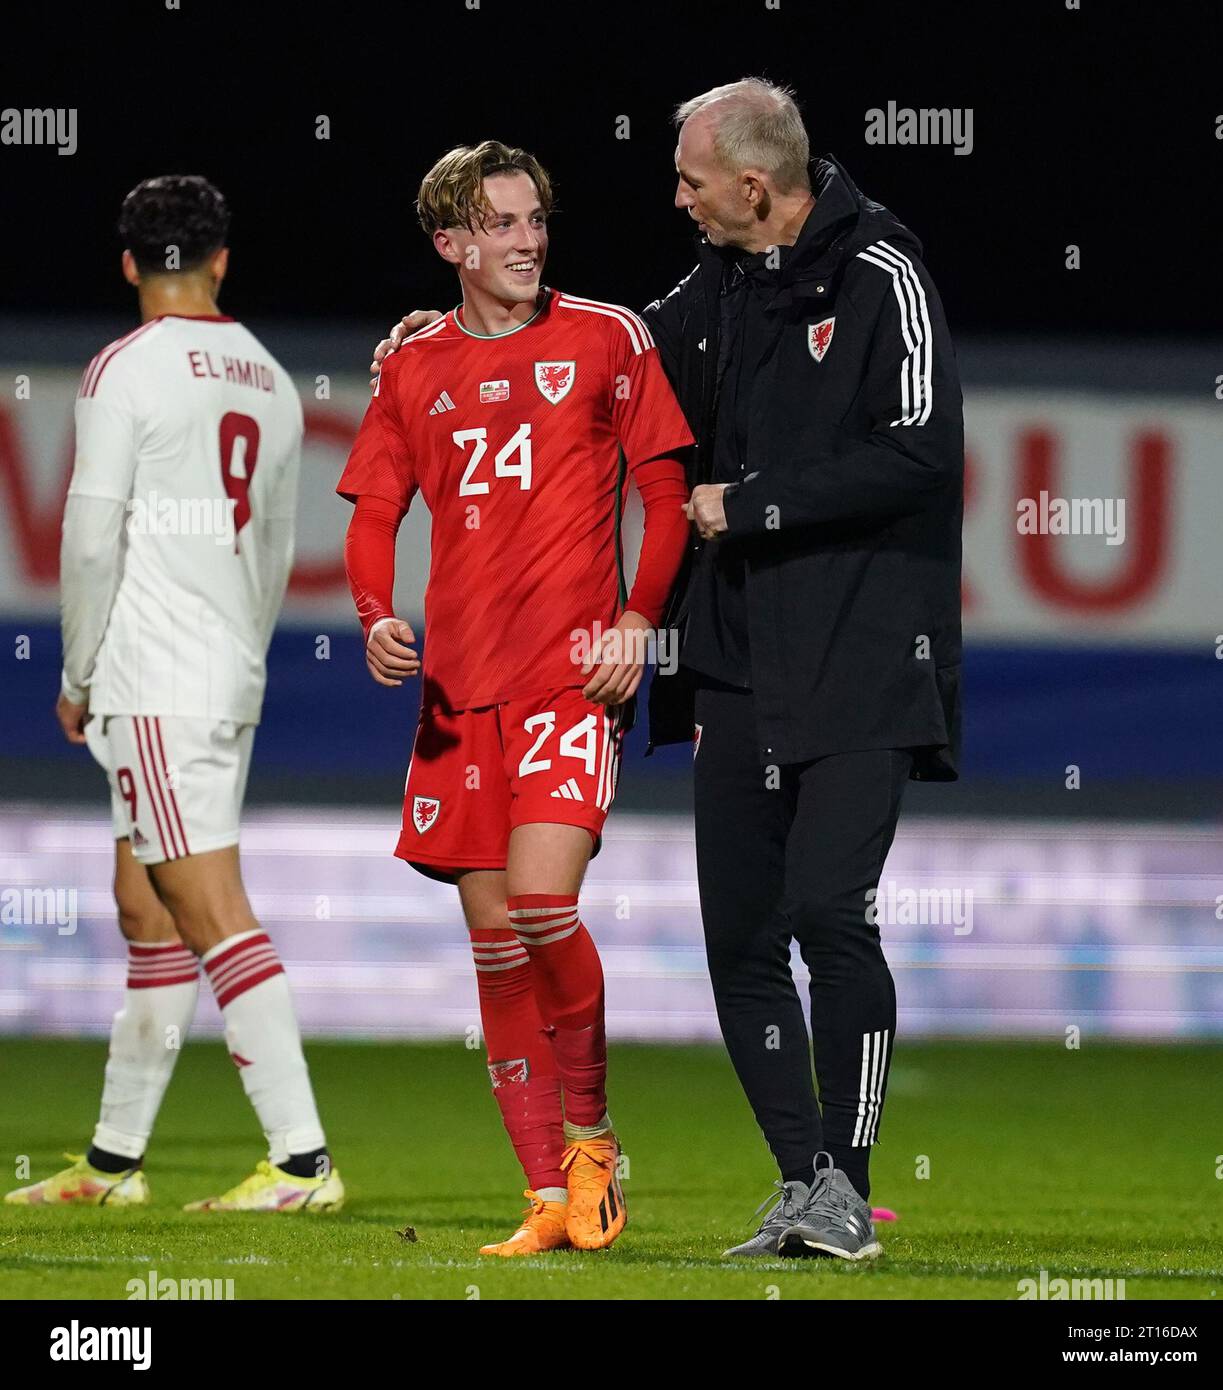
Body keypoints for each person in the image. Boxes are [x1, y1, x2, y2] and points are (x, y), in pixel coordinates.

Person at [372, 78, 963, 1262]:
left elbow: (919, 450)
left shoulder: (881, 271)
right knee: (739, 941)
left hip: (857, 654)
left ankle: (843, 1182)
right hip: (734, 660)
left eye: (690, 179)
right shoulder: (711, 292)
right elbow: (597, 352)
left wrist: (748, 504)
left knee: (825, 915)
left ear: (753, 184)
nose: (675, 196)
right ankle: (799, 1185)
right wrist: (444, 334)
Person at [339, 141, 691, 1255]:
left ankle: (591, 1142)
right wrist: (371, 611)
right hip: (457, 692)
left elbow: (666, 491)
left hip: (567, 679)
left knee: (543, 907)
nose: (527, 240)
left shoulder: (606, 337)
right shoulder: (410, 365)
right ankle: (548, 1192)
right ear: (450, 243)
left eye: (534, 218)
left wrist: (638, 621)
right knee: (493, 945)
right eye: (499, 223)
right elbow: (371, 507)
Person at [6, 175, 343, 1214]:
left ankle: (301, 1163)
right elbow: (281, 546)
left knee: (209, 913)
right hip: (222, 670)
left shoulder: (125, 368)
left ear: (125, 263)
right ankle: (113, 1164)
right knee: (145, 912)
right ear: (222, 260)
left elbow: (89, 528)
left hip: (154, 675)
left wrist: (77, 672)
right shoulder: (274, 381)